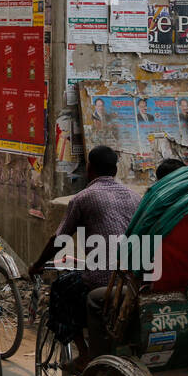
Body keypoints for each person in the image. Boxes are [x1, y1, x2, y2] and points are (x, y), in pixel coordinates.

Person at [53, 145, 142, 355]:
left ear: (89, 169)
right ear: (115, 170)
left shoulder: (83, 197)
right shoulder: (135, 198)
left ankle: (84, 354)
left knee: (60, 289)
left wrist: (37, 265)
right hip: (133, 278)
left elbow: (58, 239)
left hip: (104, 281)